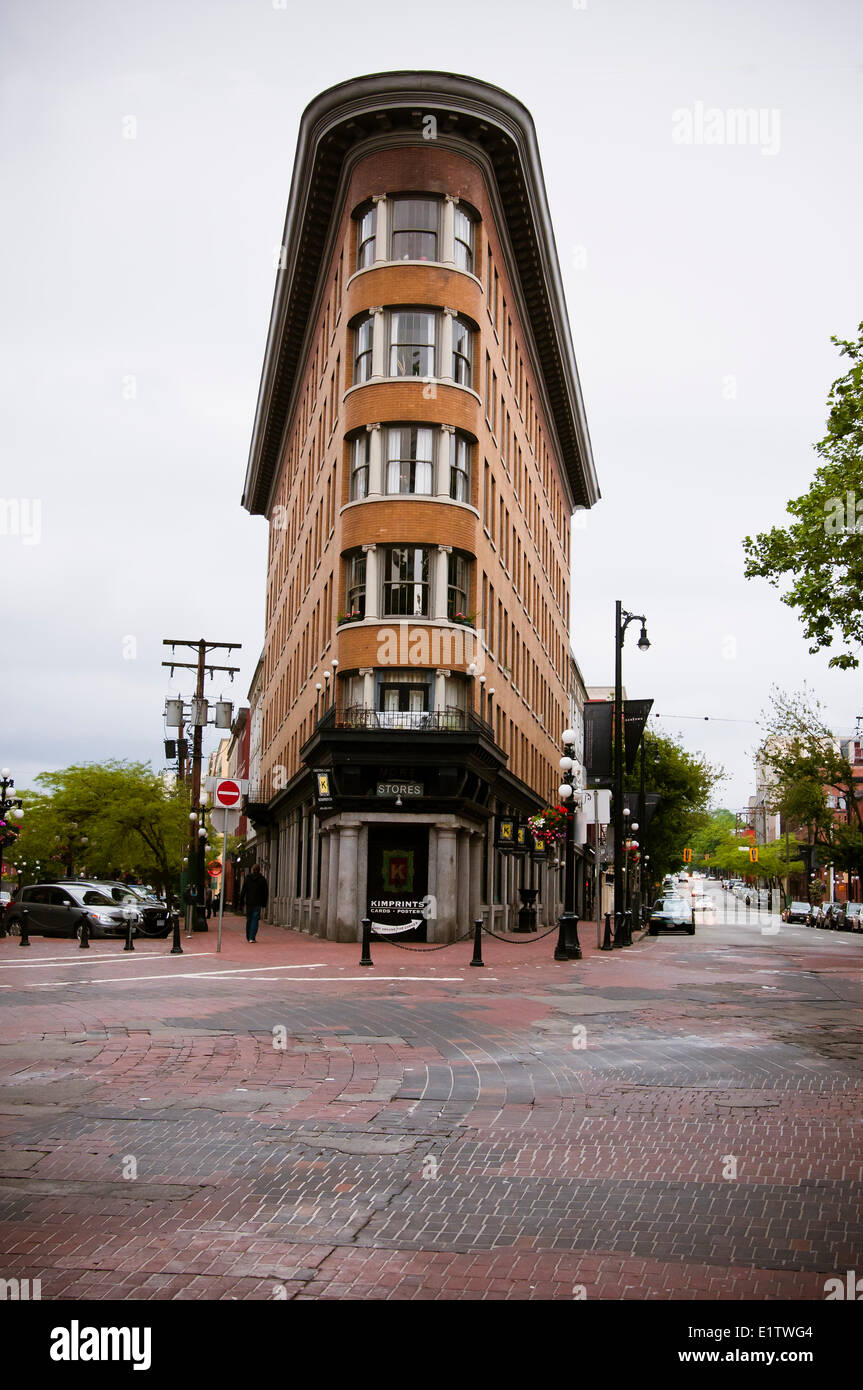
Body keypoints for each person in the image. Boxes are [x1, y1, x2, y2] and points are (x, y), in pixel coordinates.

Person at [239, 863, 268, 942]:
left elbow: (243, 891)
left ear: (252, 870)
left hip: (249, 902)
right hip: (258, 903)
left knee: (249, 919)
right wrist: (264, 903)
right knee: (255, 919)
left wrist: (241, 902)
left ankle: (248, 936)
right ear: (259, 870)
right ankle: (252, 937)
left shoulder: (247, 878)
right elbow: (265, 893)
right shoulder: (262, 879)